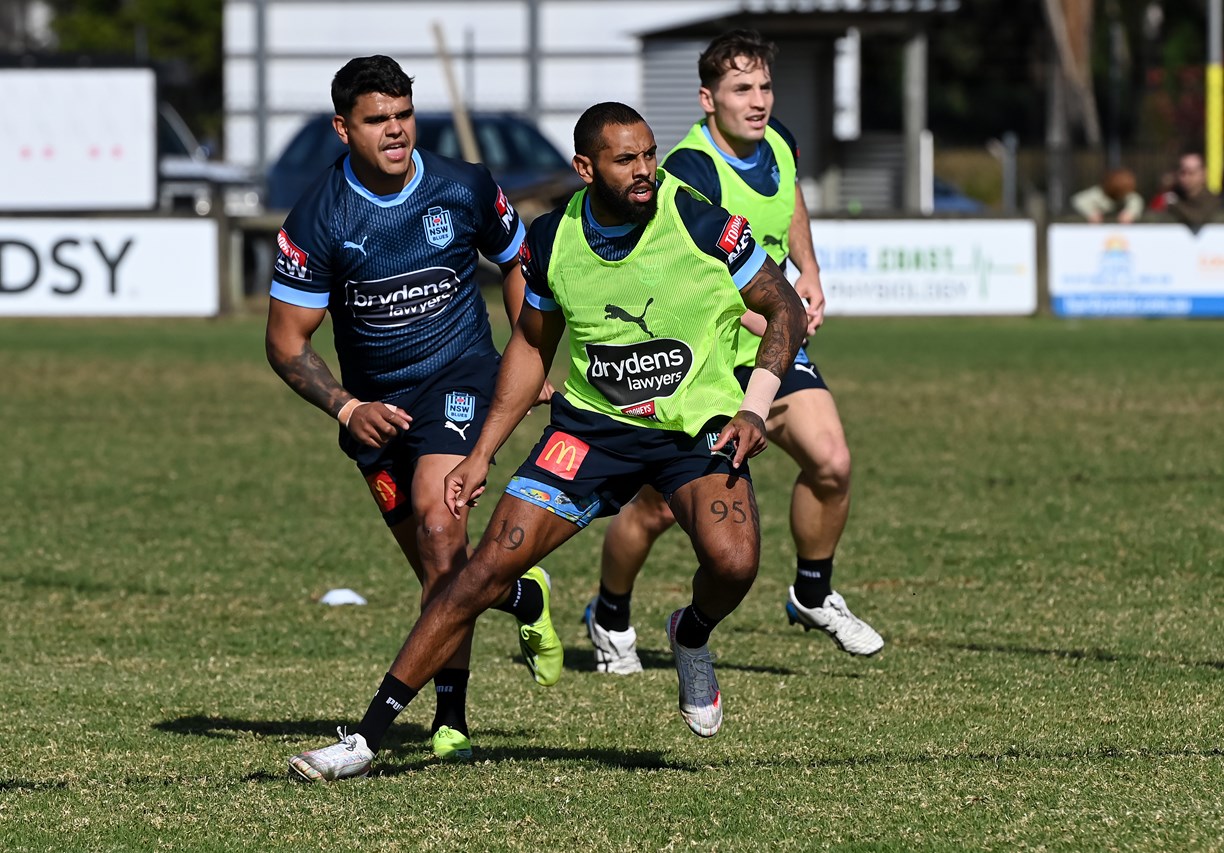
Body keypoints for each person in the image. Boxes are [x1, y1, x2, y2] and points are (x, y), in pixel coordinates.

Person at [286, 101, 807, 781]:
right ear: (585, 168)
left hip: (696, 427)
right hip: (592, 430)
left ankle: (691, 633)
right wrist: (480, 455)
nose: (646, 170)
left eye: (649, 154)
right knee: (479, 572)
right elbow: (532, 347)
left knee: (734, 566)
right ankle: (365, 737)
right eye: (627, 160)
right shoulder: (552, 238)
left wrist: (754, 409)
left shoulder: (700, 218)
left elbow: (784, 309)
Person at [264, 55, 561, 768]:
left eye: (404, 115)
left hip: (460, 377)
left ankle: (450, 718)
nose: (396, 132)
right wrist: (345, 406)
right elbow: (284, 342)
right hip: (374, 408)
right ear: (344, 129)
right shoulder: (321, 216)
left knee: (439, 521)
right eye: (377, 120)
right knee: (444, 571)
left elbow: (518, 260)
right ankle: (520, 596)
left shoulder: (464, 186)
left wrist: (528, 358)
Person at [583, 29, 883, 677]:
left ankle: (810, 592)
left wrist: (809, 275)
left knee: (831, 462)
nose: (758, 100)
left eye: (764, 85)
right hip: (708, 354)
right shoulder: (689, 168)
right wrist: (762, 311)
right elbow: (683, 263)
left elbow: (792, 201)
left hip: (771, 342)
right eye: (740, 88)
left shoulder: (779, 141)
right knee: (661, 504)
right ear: (707, 98)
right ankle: (608, 612)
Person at [1163, 151, 1221, 233]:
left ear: (1203, 174)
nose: (1186, 177)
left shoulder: (1212, 200)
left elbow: (1197, 219)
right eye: (1183, 172)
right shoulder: (1174, 195)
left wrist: (1175, 204)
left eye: (1191, 173)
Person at [1070, 167, 1144, 224]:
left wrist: (1130, 213)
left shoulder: (1128, 195)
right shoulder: (1097, 194)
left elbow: (1136, 200)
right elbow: (1078, 200)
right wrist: (1091, 213)